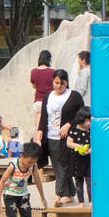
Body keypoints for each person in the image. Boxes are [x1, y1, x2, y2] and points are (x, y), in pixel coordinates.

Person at [37, 69, 84, 206]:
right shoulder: (47, 96)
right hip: (51, 136)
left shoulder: (74, 96)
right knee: (57, 167)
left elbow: (81, 116)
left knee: (63, 165)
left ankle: (58, 196)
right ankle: (70, 194)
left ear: (67, 83)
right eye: (56, 83)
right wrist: (40, 131)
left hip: (67, 138)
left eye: (62, 83)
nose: (59, 86)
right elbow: (44, 116)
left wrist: (69, 124)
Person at [0, 141, 47, 217]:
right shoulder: (13, 165)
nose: (30, 164)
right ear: (21, 155)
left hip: (23, 195)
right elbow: (2, 182)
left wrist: (43, 197)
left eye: (33, 162)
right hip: (10, 195)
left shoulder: (33, 166)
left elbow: (38, 181)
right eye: (29, 162)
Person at [66, 107, 92, 204]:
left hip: (88, 160)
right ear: (81, 119)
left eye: (90, 121)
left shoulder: (91, 131)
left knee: (89, 181)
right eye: (86, 121)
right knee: (79, 182)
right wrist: (77, 146)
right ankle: (81, 201)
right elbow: (68, 143)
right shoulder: (74, 130)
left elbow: (95, 144)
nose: (89, 123)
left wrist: (89, 150)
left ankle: (91, 201)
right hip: (77, 161)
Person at [29, 50, 54, 138]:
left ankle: (37, 147)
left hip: (38, 101)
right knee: (50, 127)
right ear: (49, 59)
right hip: (49, 101)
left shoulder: (33, 71)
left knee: (37, 128)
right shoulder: (52, 72)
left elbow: (34, 86)